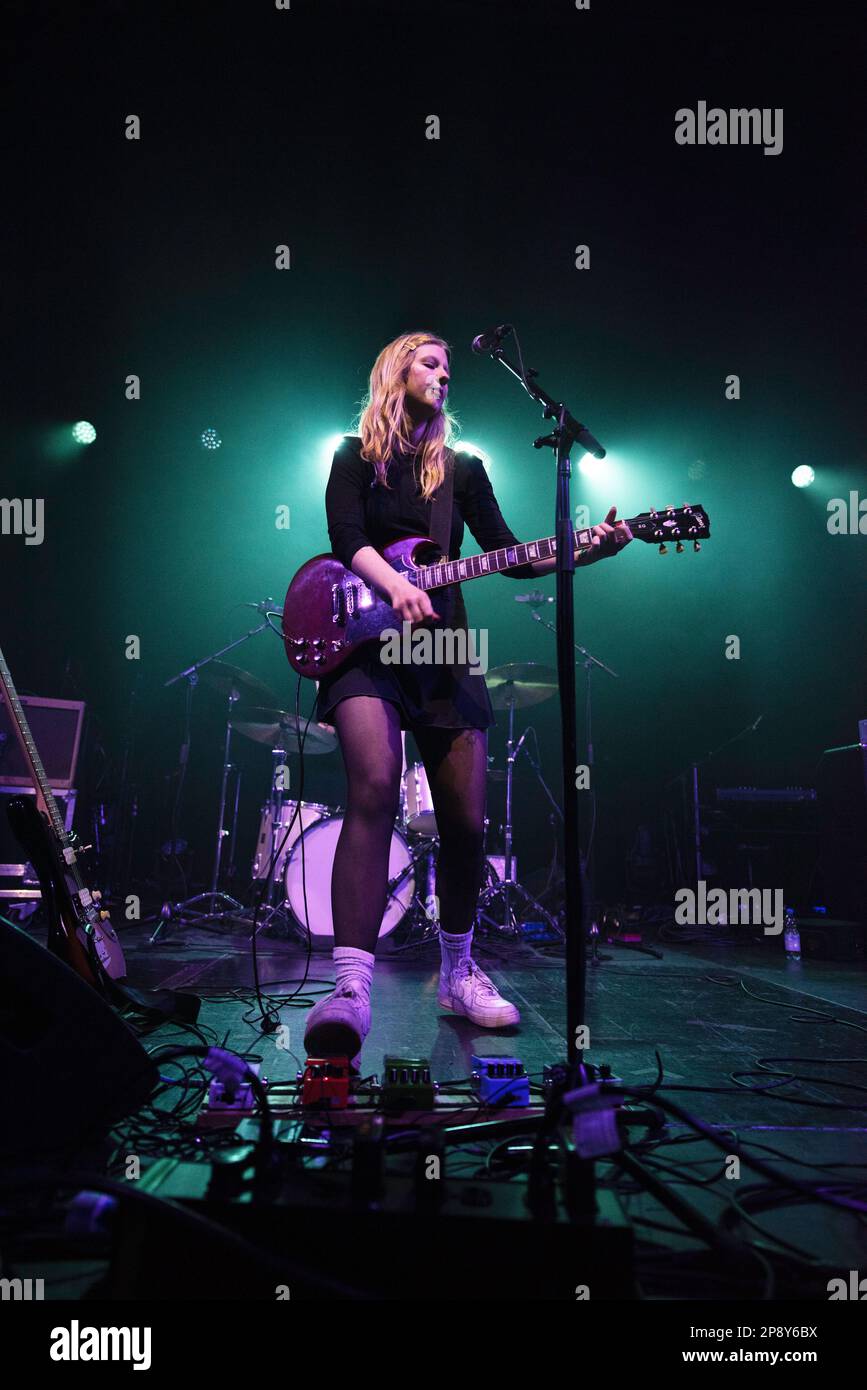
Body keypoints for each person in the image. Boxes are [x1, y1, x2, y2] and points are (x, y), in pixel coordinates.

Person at [303, 330, 632, 1068]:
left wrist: (588, 546)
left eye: (449, 368)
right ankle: (349, 988)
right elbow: (344, 535)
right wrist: (394, 584)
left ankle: (457, 972)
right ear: (395, 371)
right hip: (365, 644)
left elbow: (512, 555)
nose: (444, 375)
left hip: (443, 647)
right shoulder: (354, 457)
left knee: (465, 822)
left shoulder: (465, 469)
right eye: (430, 362)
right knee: (374, 790)